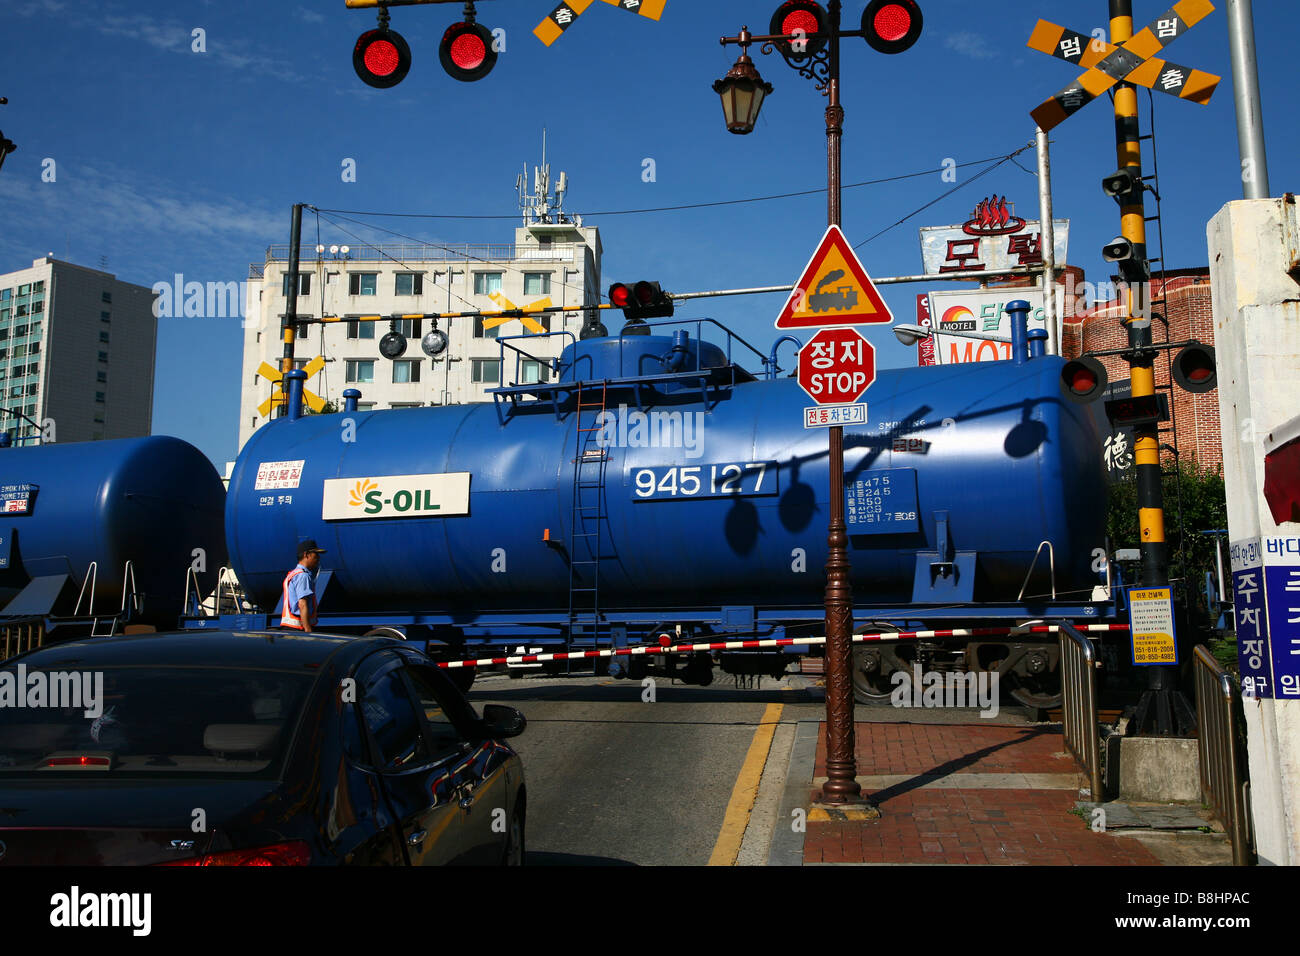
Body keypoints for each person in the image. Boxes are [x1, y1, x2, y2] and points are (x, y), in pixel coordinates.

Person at [281, 539, 326, 632]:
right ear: (306, 555)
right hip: (299, 628)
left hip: (291, 627)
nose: (318, 558)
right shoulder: (303, 576)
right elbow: (302, 604)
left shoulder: (293, 574)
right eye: (316, 554)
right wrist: (307, 629)